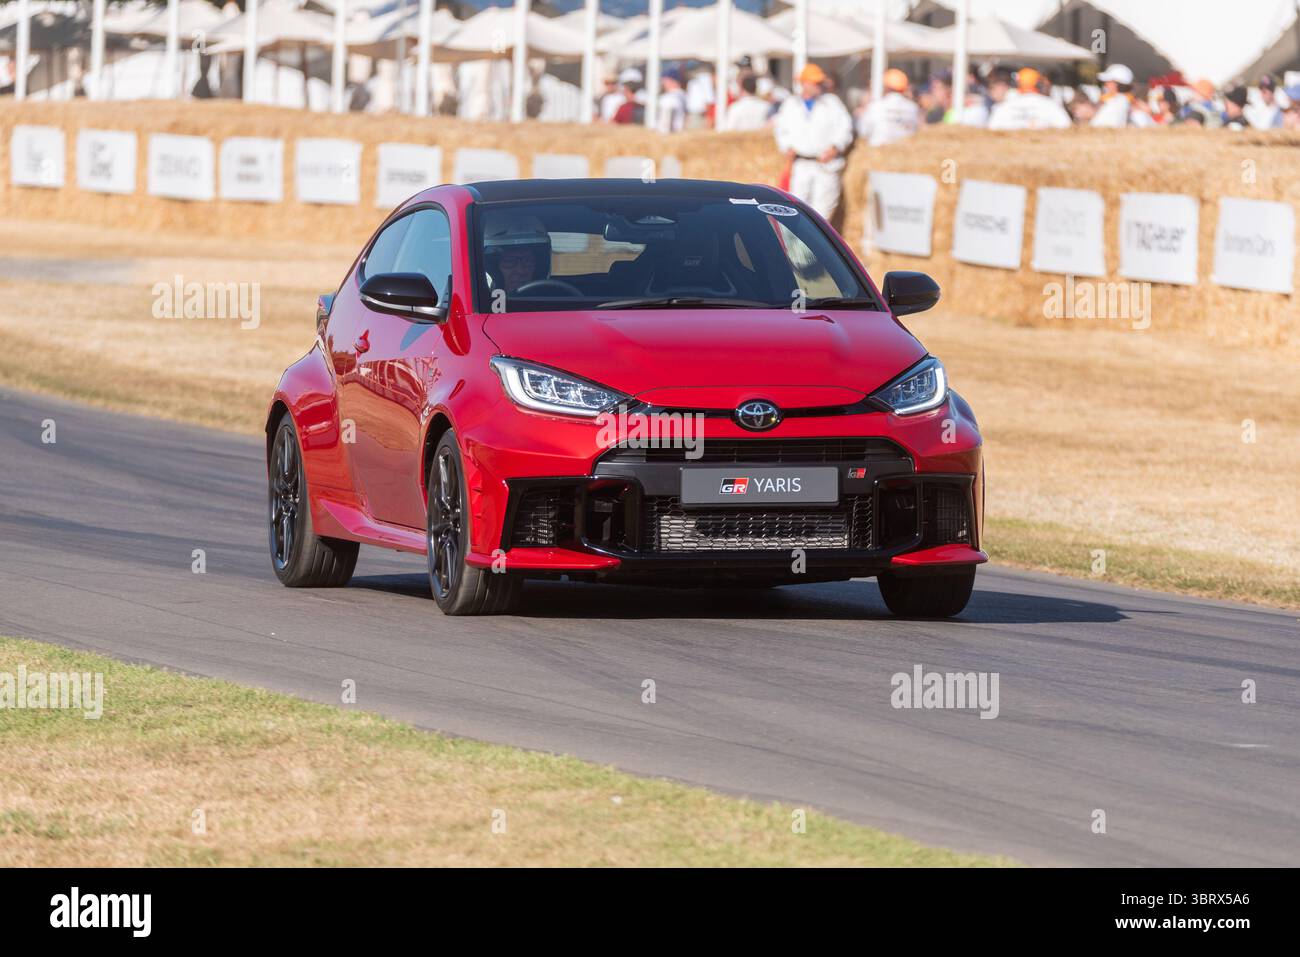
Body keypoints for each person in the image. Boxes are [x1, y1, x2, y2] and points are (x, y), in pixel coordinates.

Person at [773, 63, 854, 221]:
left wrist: (835, 147)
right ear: (804, 84)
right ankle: (794, 246)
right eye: (814, 82)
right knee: (794, 209)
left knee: (823, 211)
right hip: (801, 164)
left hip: (825, 164)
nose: (819, 86)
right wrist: (787, 147)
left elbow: (846, 128)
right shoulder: (790, 104)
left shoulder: (832, 103)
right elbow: (780, 130)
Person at [482, 214, 553, 296]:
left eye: (527, 261)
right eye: (510, 261)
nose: (521, 271)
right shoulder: (479, 305)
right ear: (493, 267)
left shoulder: (552, 300)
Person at [855, 68, 922, 146]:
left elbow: (863, 131)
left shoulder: (876, 106)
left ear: (886, 87)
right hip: (904, 153)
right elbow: (917, 130)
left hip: (878, 153)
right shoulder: (913, 108)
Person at [988, 68, 1071, 130]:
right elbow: (1067, 126)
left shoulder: (1004, 107)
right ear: (1039, 85)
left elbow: (991, 129)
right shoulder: (1050, 105)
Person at [658, 67, 689, 133]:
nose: (663, 83)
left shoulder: (669, 97)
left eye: (665, 80)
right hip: (679, 133)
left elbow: (666, 124)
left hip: (669, 134)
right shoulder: (683, 94)